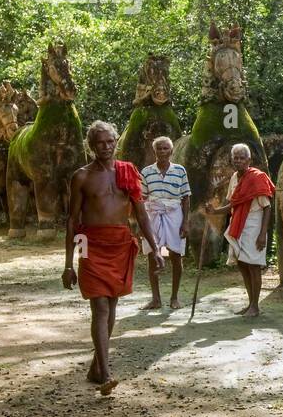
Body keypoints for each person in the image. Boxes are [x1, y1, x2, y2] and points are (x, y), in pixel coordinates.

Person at [63, 121, 163, 395]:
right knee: (101, 307)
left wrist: (155, 248)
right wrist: (68, 264)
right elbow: (72, 220)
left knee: (113, 305)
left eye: (110, 142)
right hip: (89, 243)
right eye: (99, 143)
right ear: (91, 145)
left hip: (120, 243)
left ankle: (97, 366)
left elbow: (141, 214)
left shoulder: (127, 172)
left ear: (116, 142)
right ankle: (106, 373)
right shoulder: (81, 176)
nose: (105, 147)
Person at [208, 144, 273, 317]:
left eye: (241, 158)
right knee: (243, 264)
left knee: (253, 266)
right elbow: (233, 204)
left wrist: (262, 234)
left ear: (249, 160)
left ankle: (255, 306)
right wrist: (215, 211)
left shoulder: (257, 177)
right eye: (235, 158)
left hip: (254, 224)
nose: (238, 161)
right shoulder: (234, 178)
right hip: (238, 223)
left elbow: (267, 207)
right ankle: (250, 303)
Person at [138, 136, 191, 310]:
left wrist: (185, 223)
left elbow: (185, 198)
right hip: (152, 213)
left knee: (176, 255)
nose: (162, 151)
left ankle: (174, 298)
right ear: (154, 151)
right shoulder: (146, 172)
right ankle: (156, 299)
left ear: (171, 151)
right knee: (152, 255)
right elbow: (142, 198)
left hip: (174, 213)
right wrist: (141, 223)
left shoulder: (180, 170)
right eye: (159, 148)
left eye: (165, 148)